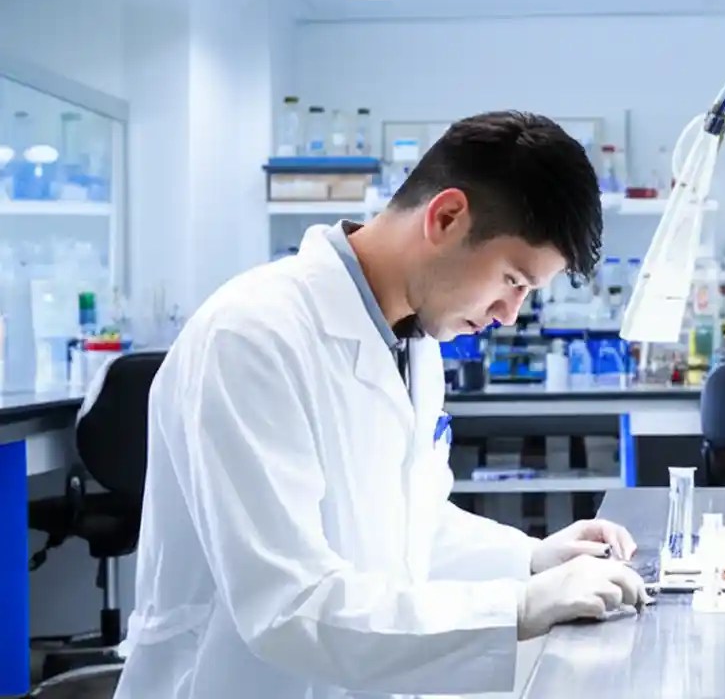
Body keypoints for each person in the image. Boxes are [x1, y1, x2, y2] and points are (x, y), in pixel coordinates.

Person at [114, 111, 648, 699]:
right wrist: (518, 607)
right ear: (446, 218)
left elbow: (405, 526)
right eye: (512, 280)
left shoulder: (412, 340)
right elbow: (288, 604)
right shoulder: (250, 337)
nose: (509, 314)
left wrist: (532, 559)